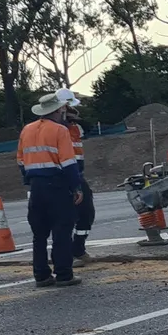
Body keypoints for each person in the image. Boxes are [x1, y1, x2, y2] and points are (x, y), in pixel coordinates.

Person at [18, 92, 83, 288]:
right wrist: (76, 187)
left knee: (39, 234)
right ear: (58, 110)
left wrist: (30, 179)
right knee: (62, 231)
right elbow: (68, 162)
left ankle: (41, 275)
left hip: (36, 187)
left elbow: (20, 161)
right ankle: (64, 274)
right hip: (57, 186)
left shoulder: (27, 130)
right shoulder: (60, 130)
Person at [61, 94, 95, 262]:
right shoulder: (57, 128)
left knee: (86, 213)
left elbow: (88, 128)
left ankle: (78, 249)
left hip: (76, 173)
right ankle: (69, 253)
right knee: (66, 216)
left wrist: (73, 119)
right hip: (64, 174)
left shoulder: (74, 127)